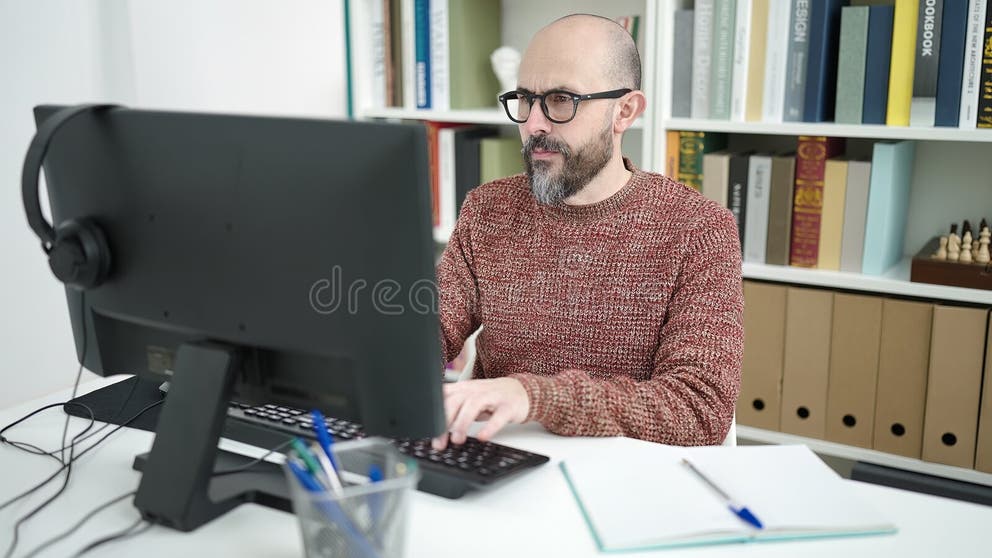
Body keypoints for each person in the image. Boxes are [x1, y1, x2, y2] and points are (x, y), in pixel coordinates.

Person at [433, 14, 743, 450]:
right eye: (525, 99)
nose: (534, 124)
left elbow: (698, 409)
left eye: (561, 100)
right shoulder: (488, 209)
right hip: (501, 457)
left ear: (624, 111)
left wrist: (535, 397)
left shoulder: (699, 230)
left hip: (628, 478)